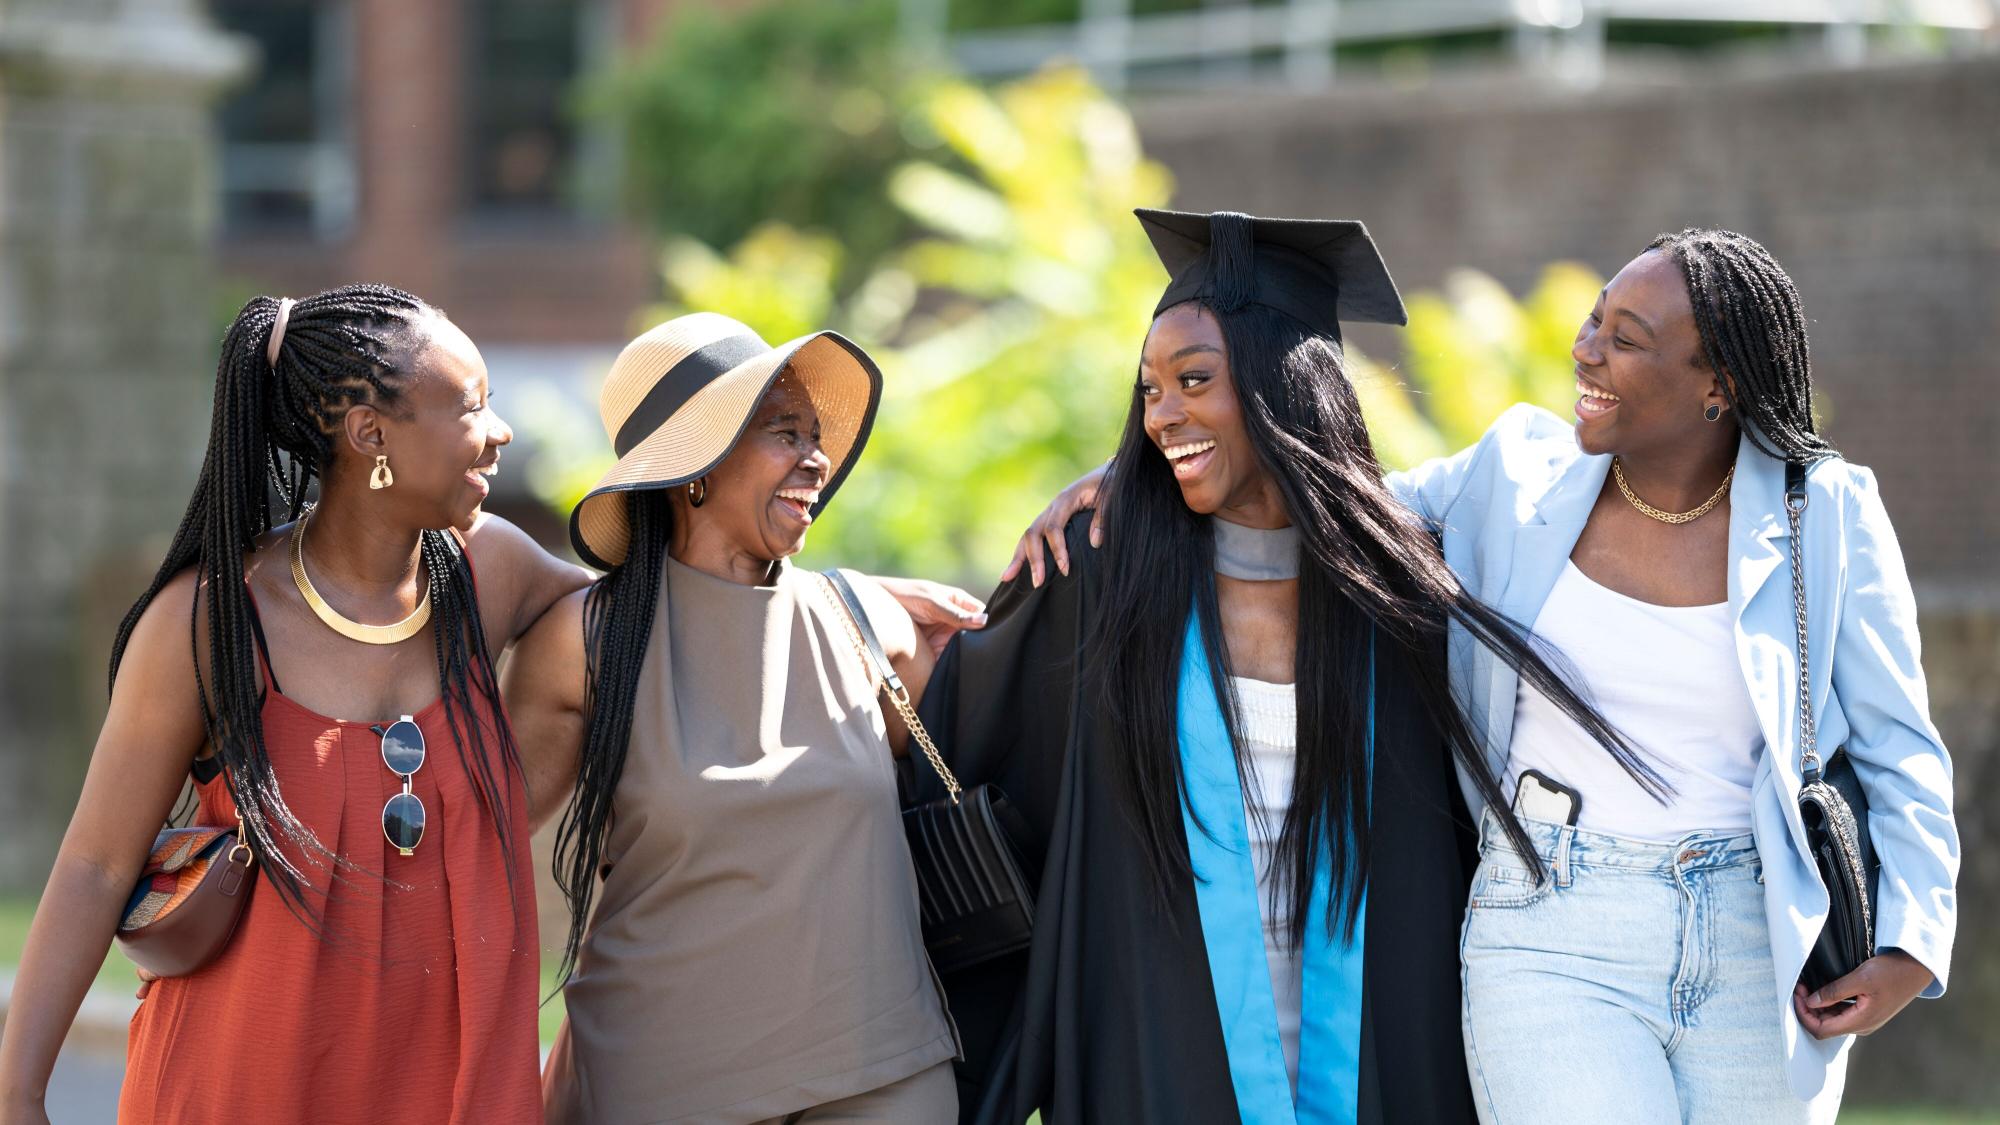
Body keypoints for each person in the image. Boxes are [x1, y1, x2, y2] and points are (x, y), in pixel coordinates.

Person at [1012, 228, 1958, 1121]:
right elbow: (1328, 492)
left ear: (1718, 382)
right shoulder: (1516, 478)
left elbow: (1899, 746)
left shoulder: (1822, 514)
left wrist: (1914, 939)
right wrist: (1130, 471)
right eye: (1592, 321)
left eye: (1624, 340)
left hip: (1758, 932)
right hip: (1555, 918)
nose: (1586, 351)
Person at [918, 210, 1659, 1124]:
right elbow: (960, 762)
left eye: (1194, 381)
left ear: (1281, 387)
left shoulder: (1402, 588)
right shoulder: (1100, 574)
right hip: (1163, 1044)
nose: (1163, 415)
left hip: (1375, 1042)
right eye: (1150, 390)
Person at [0, 285, 584, 1124]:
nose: (500, 432)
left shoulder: (495, 572)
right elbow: (95, 864)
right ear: (371, 435)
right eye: (470, 405)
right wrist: (19, 1095)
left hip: (440, 1090)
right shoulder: (209, 621)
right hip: (235, 1084)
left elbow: (622, 630)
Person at [508, 312, 963, 1124]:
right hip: (663, 1079)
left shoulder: (869, 621)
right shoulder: (585, 645)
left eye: (816, 433)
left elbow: (1012, 744)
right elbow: (479, 838)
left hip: (881, 1072)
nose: (817, 457)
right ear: (696, 467)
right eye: (784, 431)